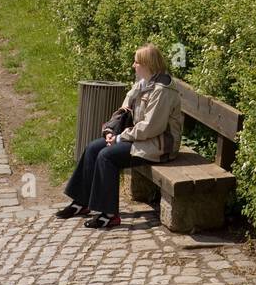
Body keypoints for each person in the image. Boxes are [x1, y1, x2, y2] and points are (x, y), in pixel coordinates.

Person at [57, 44, 183, 230]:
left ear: (148, 65)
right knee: (93, 148)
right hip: (142, 139)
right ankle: (81, 203)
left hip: (159, 145)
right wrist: (111, 130)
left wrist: (120, 138)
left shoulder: (162, 90)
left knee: (107, 156)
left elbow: (151, 128)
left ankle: (109, 215)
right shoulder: (144, 83)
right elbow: (127, 103)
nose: (133, 65)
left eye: (137, 62)